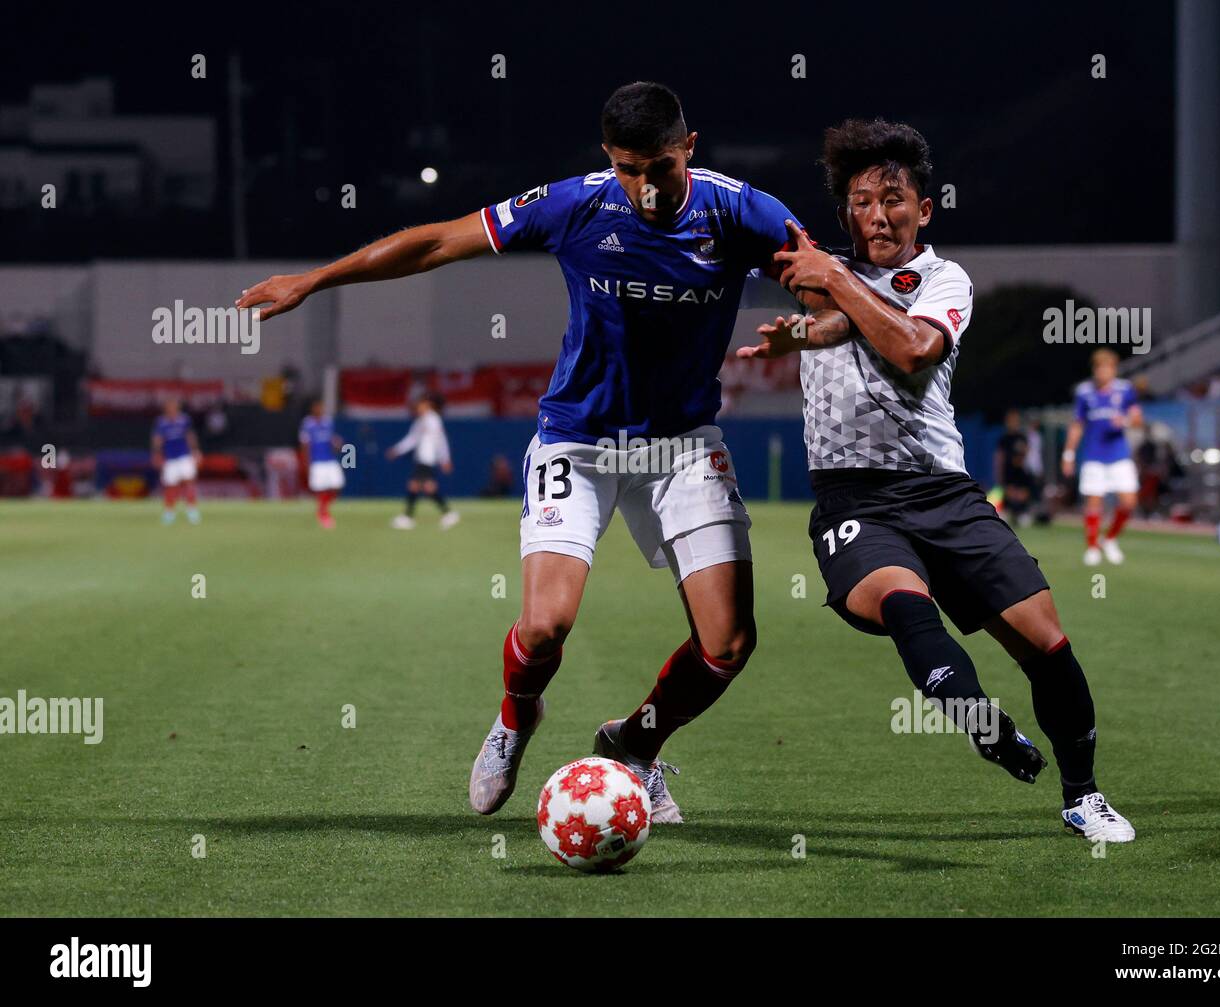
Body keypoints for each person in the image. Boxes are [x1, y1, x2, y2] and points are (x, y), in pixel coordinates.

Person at [236, 82, 817, 823]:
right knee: (544, 625)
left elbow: (824, 281)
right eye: (628, 168)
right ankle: (516, 717)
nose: (643, 187)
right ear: (609, 158)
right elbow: (439, 241)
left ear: (689, 149)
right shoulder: (575, 204)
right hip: (578, 437)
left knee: (729, 643)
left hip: (682, 448)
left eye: (660, 168)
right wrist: (315, 280)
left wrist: (819, 323)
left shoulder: (742, 213)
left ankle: (634, 745)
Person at [739, 118, 1134, 842]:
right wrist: (808, 316)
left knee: (1047, 642)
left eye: (894, 199)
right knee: (902, 601)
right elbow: (827, 320)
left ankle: (1083, 794)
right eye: (861, 201)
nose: (877, 214)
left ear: (924, 208)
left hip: (943, 491)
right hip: (853, 498)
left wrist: (832, 283)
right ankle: (981, 722)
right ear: (845, 212)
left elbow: (915, 347)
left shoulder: (946, 281)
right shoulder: (823, 277)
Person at [1061, 348, 1143, 565]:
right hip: (1094, 455)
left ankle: (1110, 538)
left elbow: (1137, 418)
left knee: (1129, 502)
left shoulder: (1125, 390)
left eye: (1107, 368)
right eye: (1100, 368)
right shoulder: (1085, 392)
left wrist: (1124, 421)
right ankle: (1092, 546)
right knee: (1094, 502)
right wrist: (1068, 454)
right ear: (1095, 369)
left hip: (1119, 454)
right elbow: (1077, 425)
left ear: (1114, 370)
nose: (1103, 372)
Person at [385, 394, 459, 530]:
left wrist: (445, 459)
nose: (418, 407)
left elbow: (440, 440)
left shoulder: (433, 420)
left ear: (427, 405)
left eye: (420, 404)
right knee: (428, 488)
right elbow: (412, 439)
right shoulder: (420, 421)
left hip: (428, 458)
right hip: (422, 459)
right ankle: (448, 513)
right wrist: (397, 450)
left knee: (415, 485)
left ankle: (408, 517)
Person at [151, 398, 201, 525]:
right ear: (166, 408)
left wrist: (195, 451)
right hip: (170, 459)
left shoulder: (184, 420)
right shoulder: (161, 422)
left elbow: (190, 436)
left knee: (189, 483)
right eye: (170, 406)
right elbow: (158, 439)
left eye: (174, 406)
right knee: (170, 487)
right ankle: (169, 513)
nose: (172, 409)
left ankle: (192, 511)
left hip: (184, 457)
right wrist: (156, 454)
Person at [299, 399, 345, 528]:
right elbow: (305, 445)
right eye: (318, 407)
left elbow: (331, 439)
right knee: (321, 488)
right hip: (317, 461)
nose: (320, 409)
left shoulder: (328, 421)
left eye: (322, 407)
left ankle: (323, 508)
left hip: (330, 459)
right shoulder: (308, 424)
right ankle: (323, 513)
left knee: (337, 485)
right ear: (313, 409)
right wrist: (306, 463)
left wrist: (337, 444)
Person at [994, 408, 1034, 527]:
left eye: (1015, 420)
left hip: (1020, 471)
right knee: (1009, 493)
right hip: (1008, 471)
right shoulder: (1004, 439)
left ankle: (1022, 514)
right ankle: (1007, 513)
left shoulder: (1022, 437)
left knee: (1022, 494)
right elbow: (999, 457)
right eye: (1011, 420)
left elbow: (1027, 451)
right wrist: (999, 473)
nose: (1013, 422)